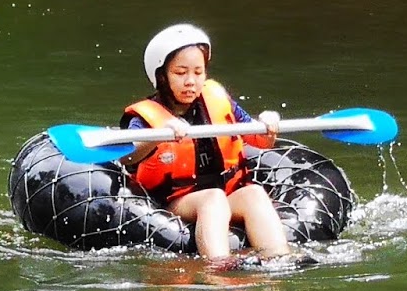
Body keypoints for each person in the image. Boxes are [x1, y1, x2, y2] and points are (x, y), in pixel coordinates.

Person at [121, 23, 289, 260]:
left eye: (198, 73)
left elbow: (258, 140)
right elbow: (126, 156)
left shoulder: (218, 100)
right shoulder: (146, 117)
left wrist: (267, 126)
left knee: (254, 194)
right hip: (175, 201)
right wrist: (157, 134)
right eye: (180, 73)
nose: (191, 81)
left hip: (225, 191)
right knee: (213, 198)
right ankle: (219, 267)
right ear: (161, 76)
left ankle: (280, 259)